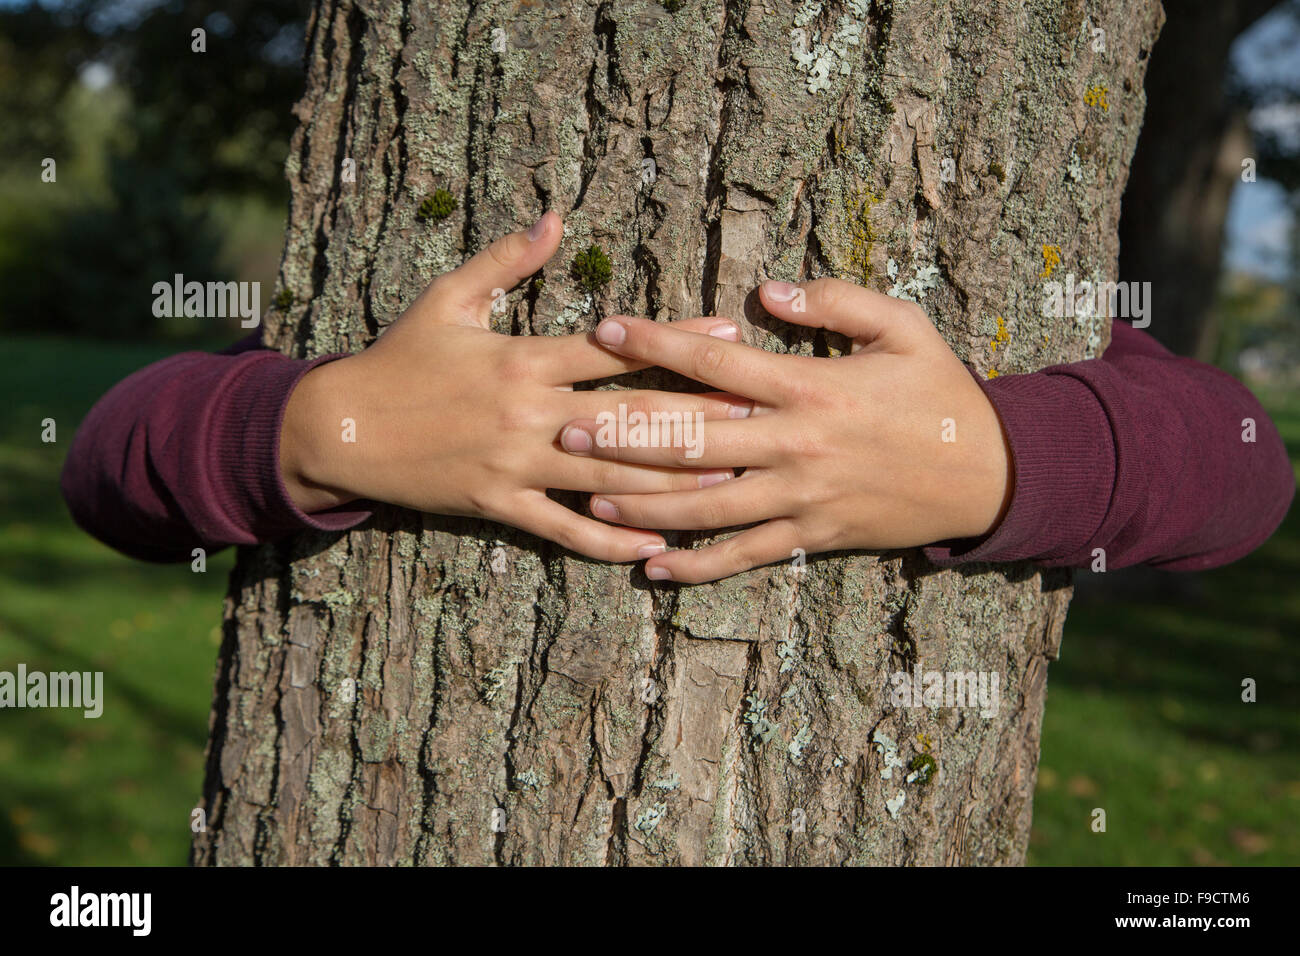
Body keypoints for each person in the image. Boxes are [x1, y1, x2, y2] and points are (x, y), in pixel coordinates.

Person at [61, 213, 1295, 584]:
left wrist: (1006, 461)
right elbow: (106, 462)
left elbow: (1248, 467)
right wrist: (327, 431)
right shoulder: (375, 323)